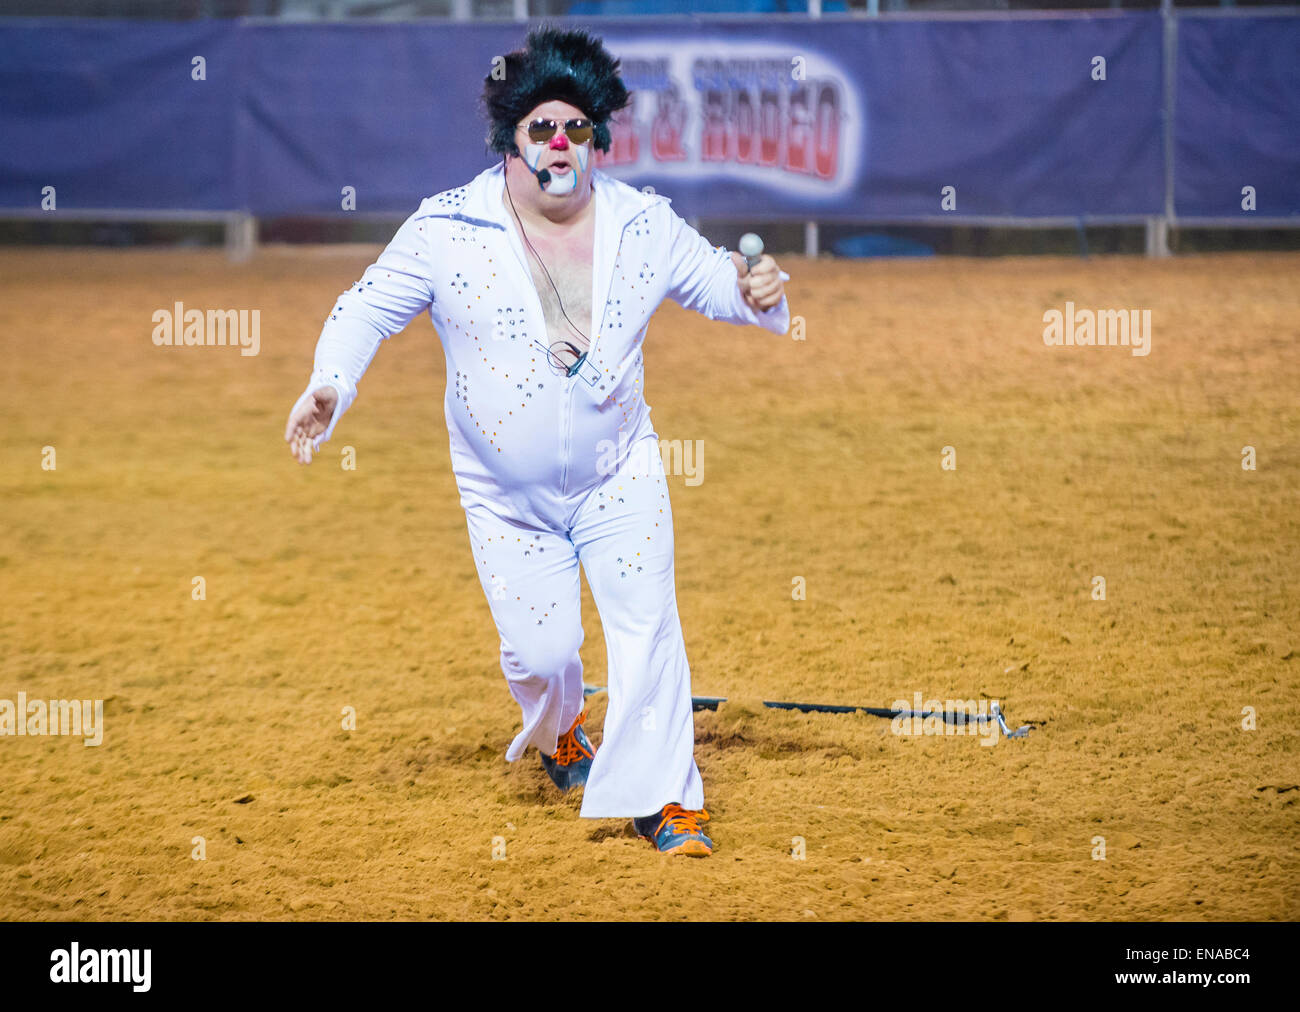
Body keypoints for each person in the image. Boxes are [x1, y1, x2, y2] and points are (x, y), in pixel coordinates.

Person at [284, 27, 789, 857]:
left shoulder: (644, 224)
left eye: (578, 129)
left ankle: (667, 800)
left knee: (646, 625)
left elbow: (724, 287)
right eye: (542, 129)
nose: (561, 145)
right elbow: (365, 308)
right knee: (542, 651)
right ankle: (561, 731)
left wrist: (758, 287)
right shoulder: (446, 228)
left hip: (618, 471)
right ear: (510, 140)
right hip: (502, 496)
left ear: (597, 139)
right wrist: (331, 382)